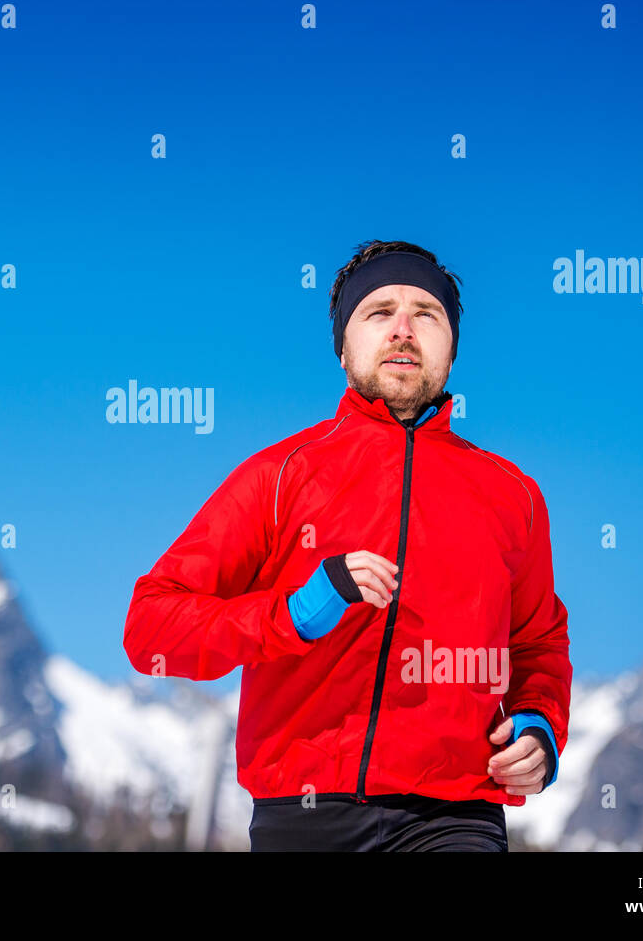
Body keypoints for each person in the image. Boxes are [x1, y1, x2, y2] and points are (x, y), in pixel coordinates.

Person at [122, 239, 572, 851]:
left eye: (426, 314)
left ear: (452, 350)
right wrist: (292, 615)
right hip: (304, 814)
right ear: (343, 347)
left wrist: (540, 727)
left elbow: (538, 643)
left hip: (455, 816)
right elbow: (151, 628)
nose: (403, 328)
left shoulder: (512, 495)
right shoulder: (279, 476)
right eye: (379, 311)